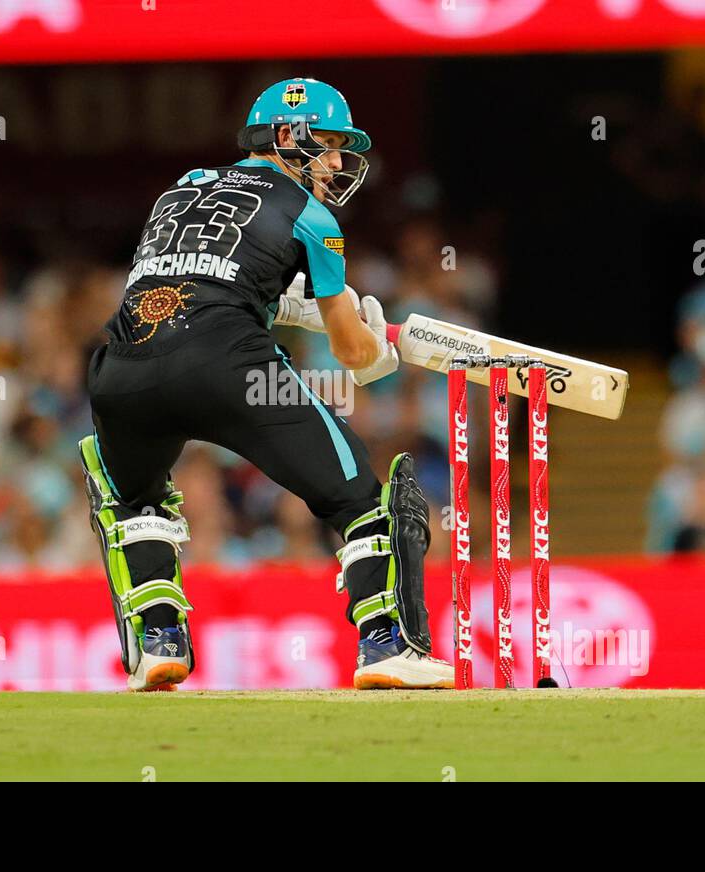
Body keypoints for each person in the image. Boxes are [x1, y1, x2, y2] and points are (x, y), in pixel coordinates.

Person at [80, 77, 451, 691]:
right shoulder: (313, 217)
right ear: (286, 134)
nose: (336, 163)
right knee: (358, 496)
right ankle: (386, 644)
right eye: (328, 145)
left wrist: (270, 300)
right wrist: (373, 351)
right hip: (232, 371)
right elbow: (351, 351)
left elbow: (193, 279)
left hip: (122, 372)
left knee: (137, 500)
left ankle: (158, 640)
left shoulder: (178, 191)